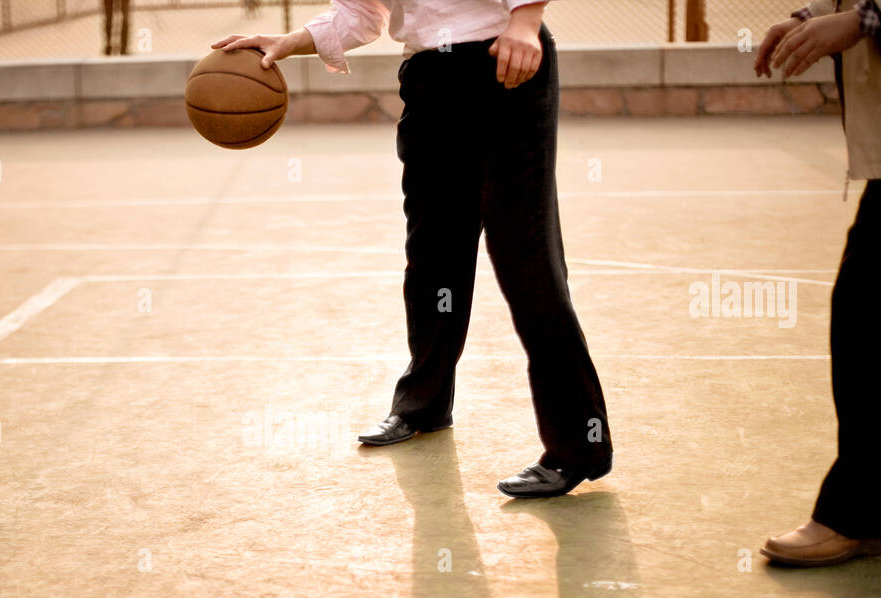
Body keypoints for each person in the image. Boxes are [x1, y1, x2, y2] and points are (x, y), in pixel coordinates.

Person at [212, 0, 613, 499]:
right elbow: (360, 12)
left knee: (527, 262)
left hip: (506, 64)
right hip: (429, 79)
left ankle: (578, 448)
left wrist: (526, 20)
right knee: (432, 254)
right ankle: (423, 404)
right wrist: (287, 43)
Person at [756, 1, 881, 567]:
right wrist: (810, 17)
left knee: (869, 325)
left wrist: (856, 22)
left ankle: (855, 516)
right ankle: (858, 513)